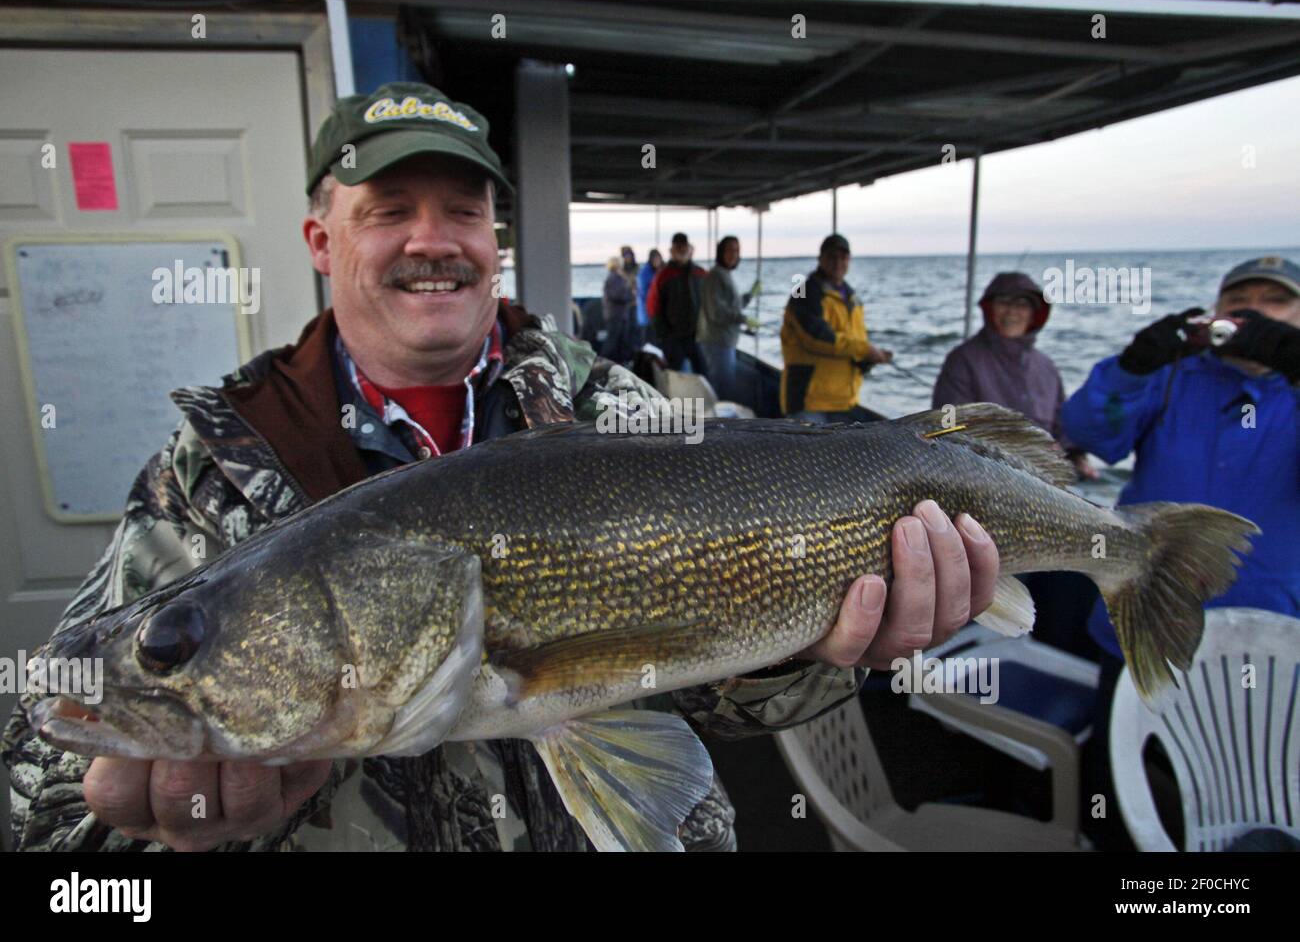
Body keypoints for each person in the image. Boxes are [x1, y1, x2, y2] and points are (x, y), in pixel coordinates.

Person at [4, 81, 1001, 853]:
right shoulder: (203, 475)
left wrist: (830, 647)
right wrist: (159, 828)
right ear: (319, 238)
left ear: (495, 241)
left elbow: (725, 698)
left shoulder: (621, 415)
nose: (431, 240)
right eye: (388, 208)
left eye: (463, 210)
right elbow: (41, 812)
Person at [1060, 254, 1300, 850]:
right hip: (1142, 620)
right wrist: (1131, 367)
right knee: (1123, 775)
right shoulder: (1175, 377)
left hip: (1272, 642)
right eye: (1239, 298)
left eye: (1275, 302)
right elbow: (1091, 433)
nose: (1253, 312)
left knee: (1258, 789)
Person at [932, 272, 1096, 481]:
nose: (1012, 311)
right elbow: (948, 426)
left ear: (1035, 313)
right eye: (1003, 302)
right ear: (989, 308)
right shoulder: (962, 359)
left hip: (1047, 478)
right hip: (986, 476)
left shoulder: (1046, 366)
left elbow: (1060, 424)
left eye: (1022, 304)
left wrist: (1076, 455)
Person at [780, 233, 892, 421]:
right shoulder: (804, 293)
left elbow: (852, 343)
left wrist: (868, 358)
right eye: (832, 256)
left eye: (843, 257)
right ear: (821, 259)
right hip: (809, 402)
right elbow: (816, 338)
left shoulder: (853, 299)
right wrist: (865, 349)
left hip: (844, 401)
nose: (838, 262)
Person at [699, 235, 760, 403]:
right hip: (717, 341)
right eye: (730, 250)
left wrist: (750, 295)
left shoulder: (724, 274)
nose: (734, 254)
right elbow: (716, 313)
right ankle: (718, 426)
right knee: (722, 389)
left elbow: (732, 305)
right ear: (721, 252)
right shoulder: (715, 276)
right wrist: (743, 319)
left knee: (724, 386)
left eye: (737, 250)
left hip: (724, 341)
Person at [646, 233, 709, 374]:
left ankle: (702, 396)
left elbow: (711, 303)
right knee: (673, 374)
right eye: (678, 247)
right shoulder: (663, 276)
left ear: (690, 249)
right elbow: (653, 308)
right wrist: (664, 336)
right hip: (673, 338)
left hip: (697, 337)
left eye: (684, 246)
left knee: (703, 373)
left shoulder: (700, 274)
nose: (681, 250)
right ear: (672, 250)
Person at [583, 255, 640, 367]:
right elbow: (616, 295)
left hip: (618, 314)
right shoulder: (614, 278)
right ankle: (603, 362)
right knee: (613, 340)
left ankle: (618, 362)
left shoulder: (616, 278)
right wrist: (630, 296)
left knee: (620, 339)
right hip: (615, 315)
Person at [636, 248, 663, 327]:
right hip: (647, 311)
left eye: (658, 259)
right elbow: (643, 292)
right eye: (655, 259)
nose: (657, 261)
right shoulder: (644, 273)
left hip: (657, 311)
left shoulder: (659, 271)